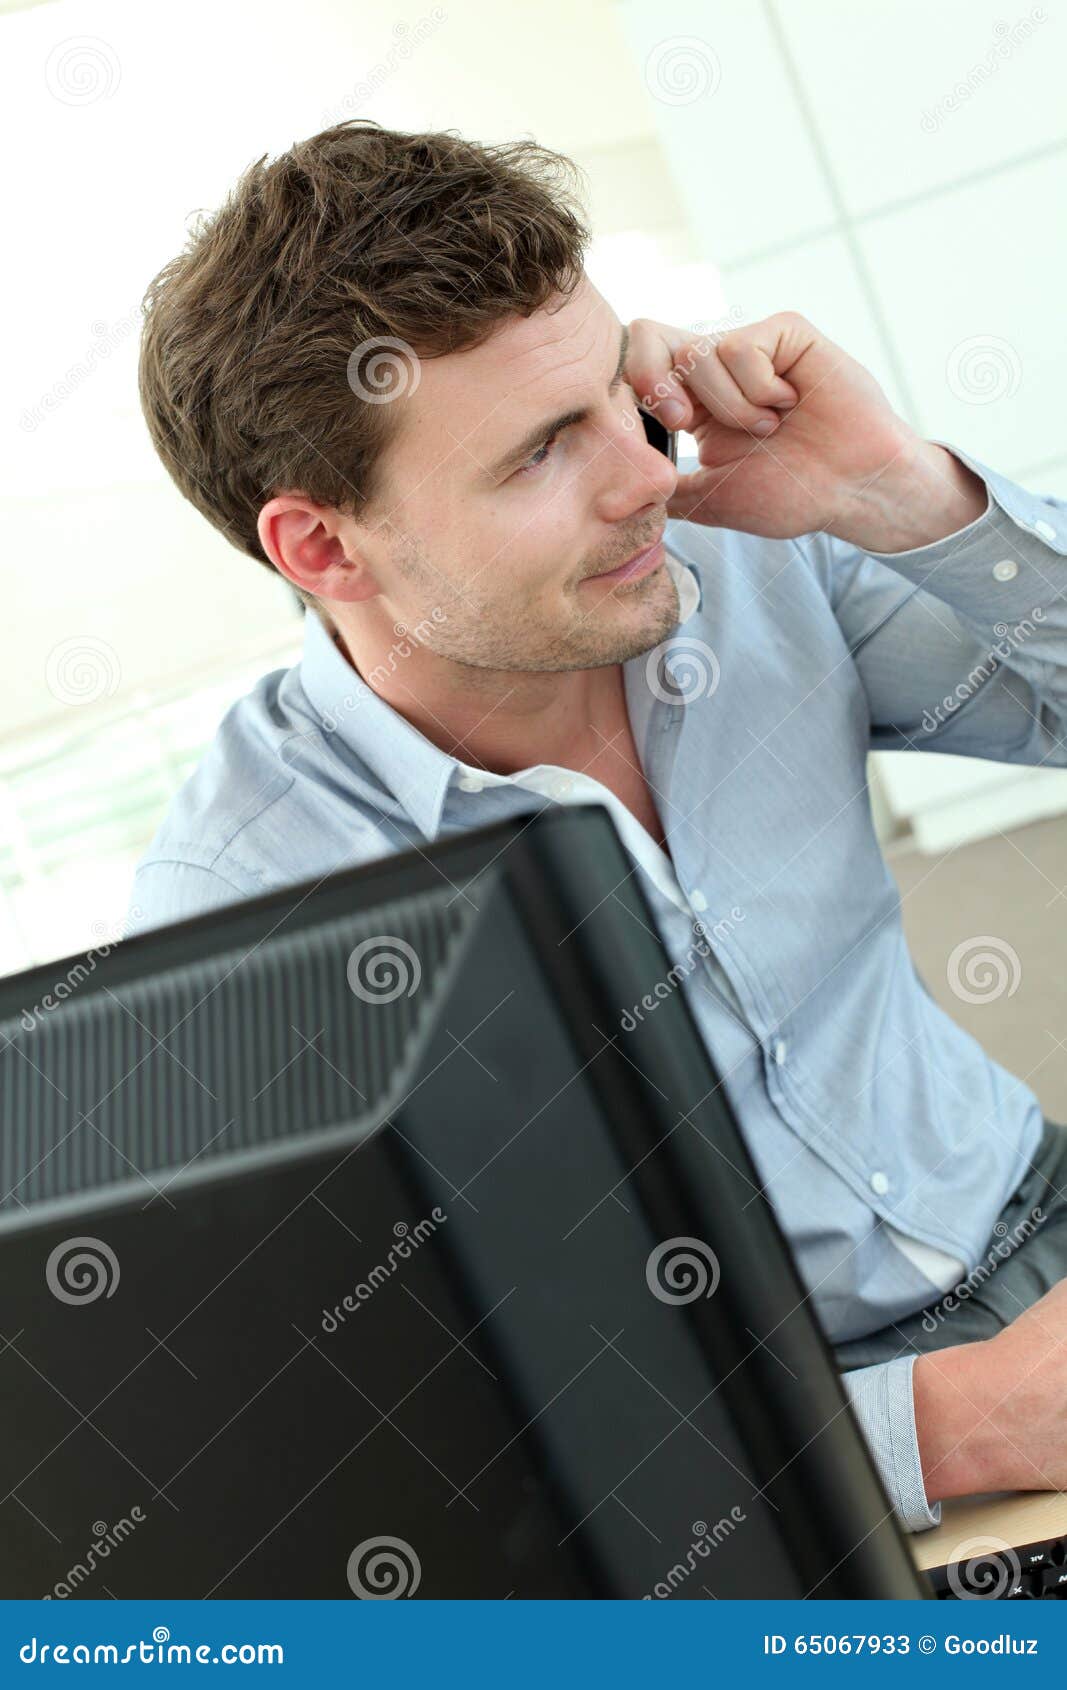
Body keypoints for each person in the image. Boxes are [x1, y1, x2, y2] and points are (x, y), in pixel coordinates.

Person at [130, 119, 1067, 1537]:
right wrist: (948, 1422)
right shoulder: (244, 909)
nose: (645, 476)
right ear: (324, 547)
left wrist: (899, 495)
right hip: (768, 1461)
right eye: (539, 454)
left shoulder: (737, 553)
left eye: (618, 395)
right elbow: (396, 1446)